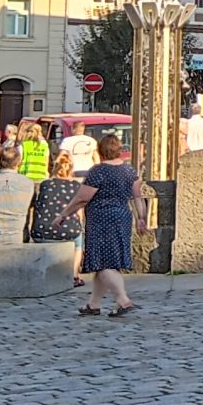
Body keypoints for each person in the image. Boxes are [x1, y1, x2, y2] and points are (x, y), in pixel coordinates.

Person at [55, 136, 142, 317]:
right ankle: (93, 304)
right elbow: (138, 197)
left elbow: (82, 198)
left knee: (103, 261)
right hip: (123, 216)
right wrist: (142, 218)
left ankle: (123, 300)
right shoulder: (129, 170)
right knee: (106, 261)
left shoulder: (99, 171)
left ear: (101, 150)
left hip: (102, 217)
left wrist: (64, 214)